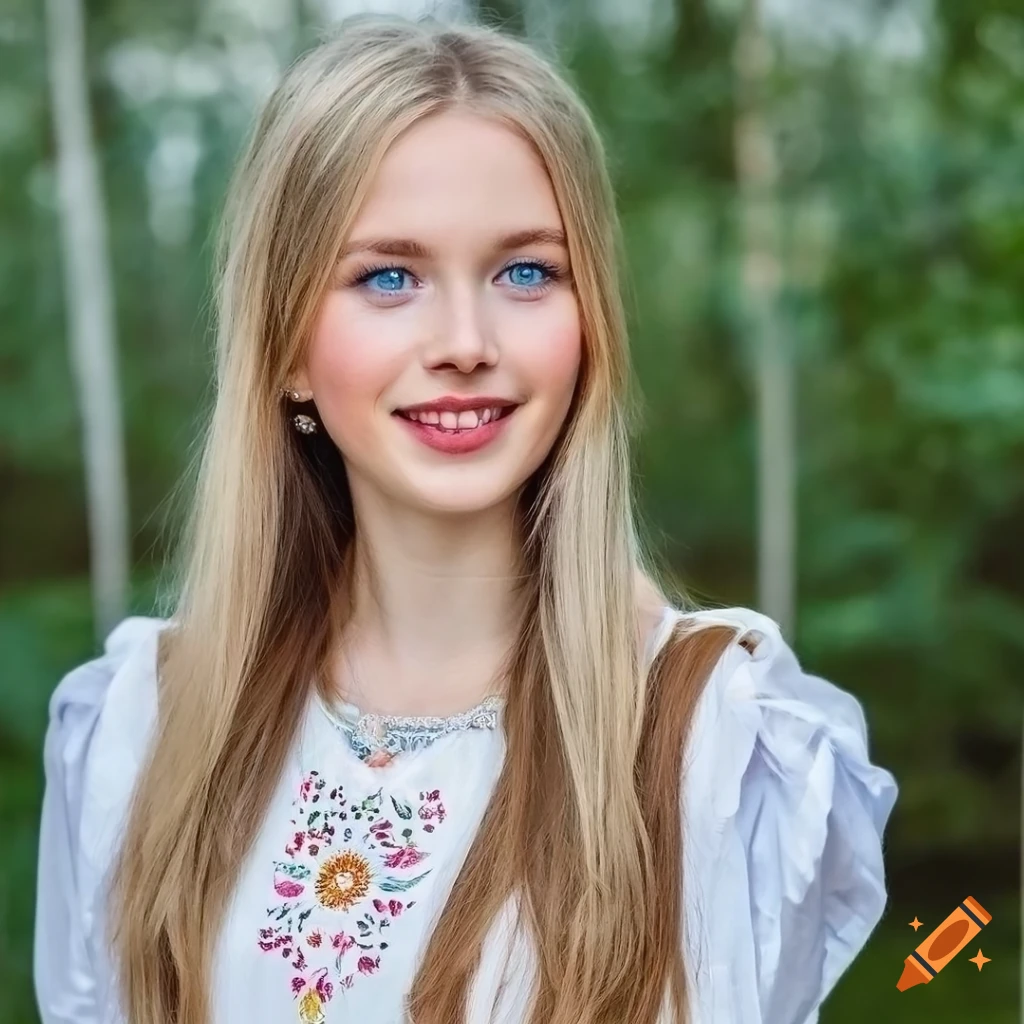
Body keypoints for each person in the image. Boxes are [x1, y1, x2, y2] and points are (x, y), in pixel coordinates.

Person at [33, 13, 897, 1024]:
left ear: (591, 329)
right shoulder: (142, 728)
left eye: (525, 271)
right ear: (286, 348)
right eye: (387, 276)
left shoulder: (722, 742)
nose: (464, 340)